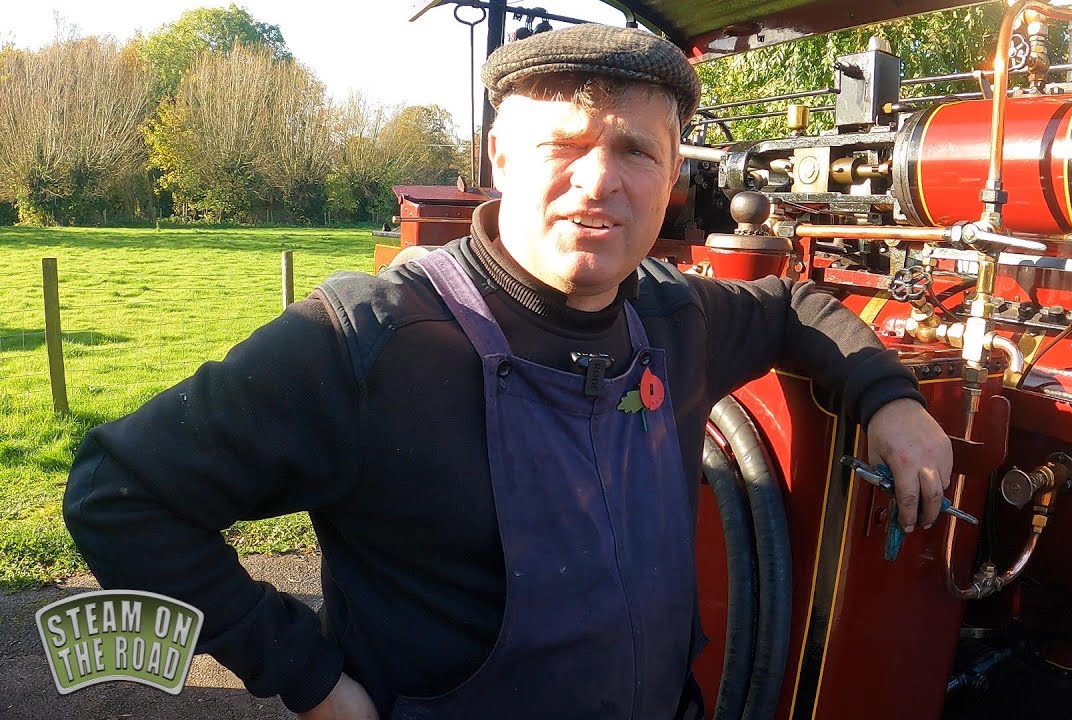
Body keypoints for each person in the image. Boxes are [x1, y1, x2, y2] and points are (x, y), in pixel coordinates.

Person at [64, 23, 952, 720]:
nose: (599, 180)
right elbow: (120, 495)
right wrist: (306, 678)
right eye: (562, 145)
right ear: (498, 158)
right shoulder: (369, 338)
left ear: (674, 173)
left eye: (636, 151)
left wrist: (892, 400)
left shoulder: (675, 317)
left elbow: (799, 308)